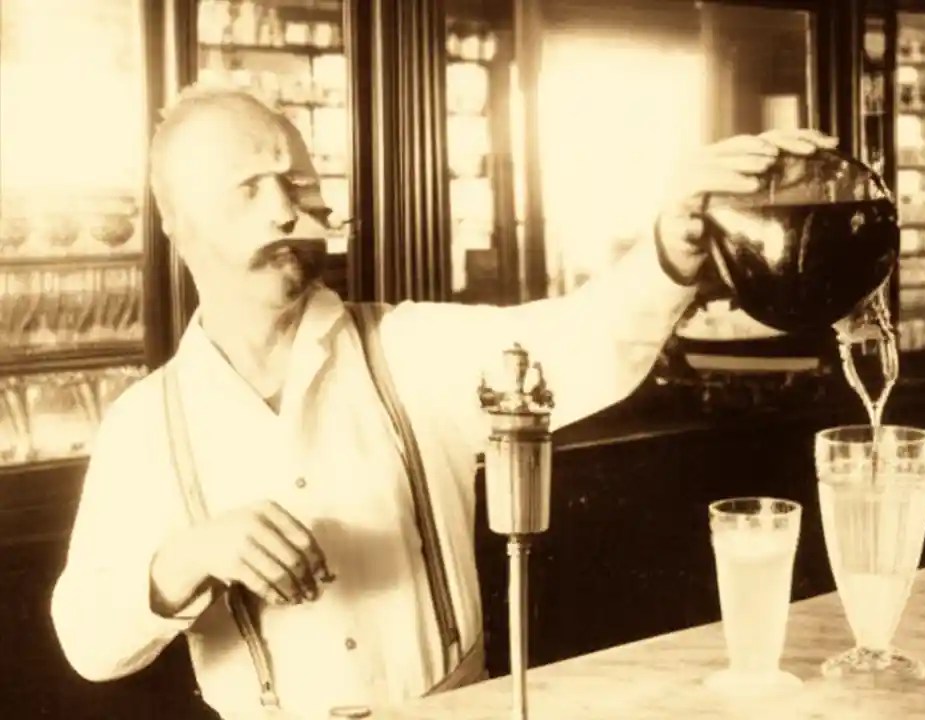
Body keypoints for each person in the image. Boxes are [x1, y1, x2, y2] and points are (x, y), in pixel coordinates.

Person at [49, 83, 838, 719]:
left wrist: (669, 251)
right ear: (175, 224)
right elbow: (87, 641)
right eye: (248, 188)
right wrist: (185, 558)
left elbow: (581, 340)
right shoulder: (146, 423)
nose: (285, 210)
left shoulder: (405, 348)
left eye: (296, 181)